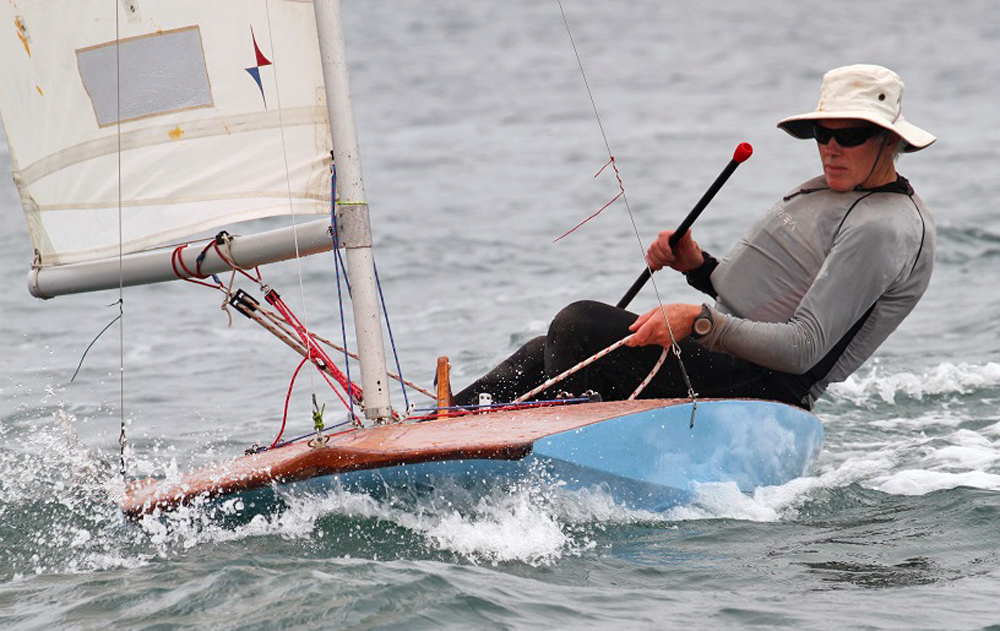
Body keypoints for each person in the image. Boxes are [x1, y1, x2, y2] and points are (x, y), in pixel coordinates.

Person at [455, 64, 936, 410]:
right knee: (543, 350)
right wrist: (698, 267)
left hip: (764, 391)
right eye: (820, 133)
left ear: (888, 139)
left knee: (578, 326)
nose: (831, 148)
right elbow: (768, 303)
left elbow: (802, 347)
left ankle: (529, 457)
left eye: (849, 134)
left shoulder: (882, 228)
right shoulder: (843, 189)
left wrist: (700, 323)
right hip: (730, 360)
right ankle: (438, 427)